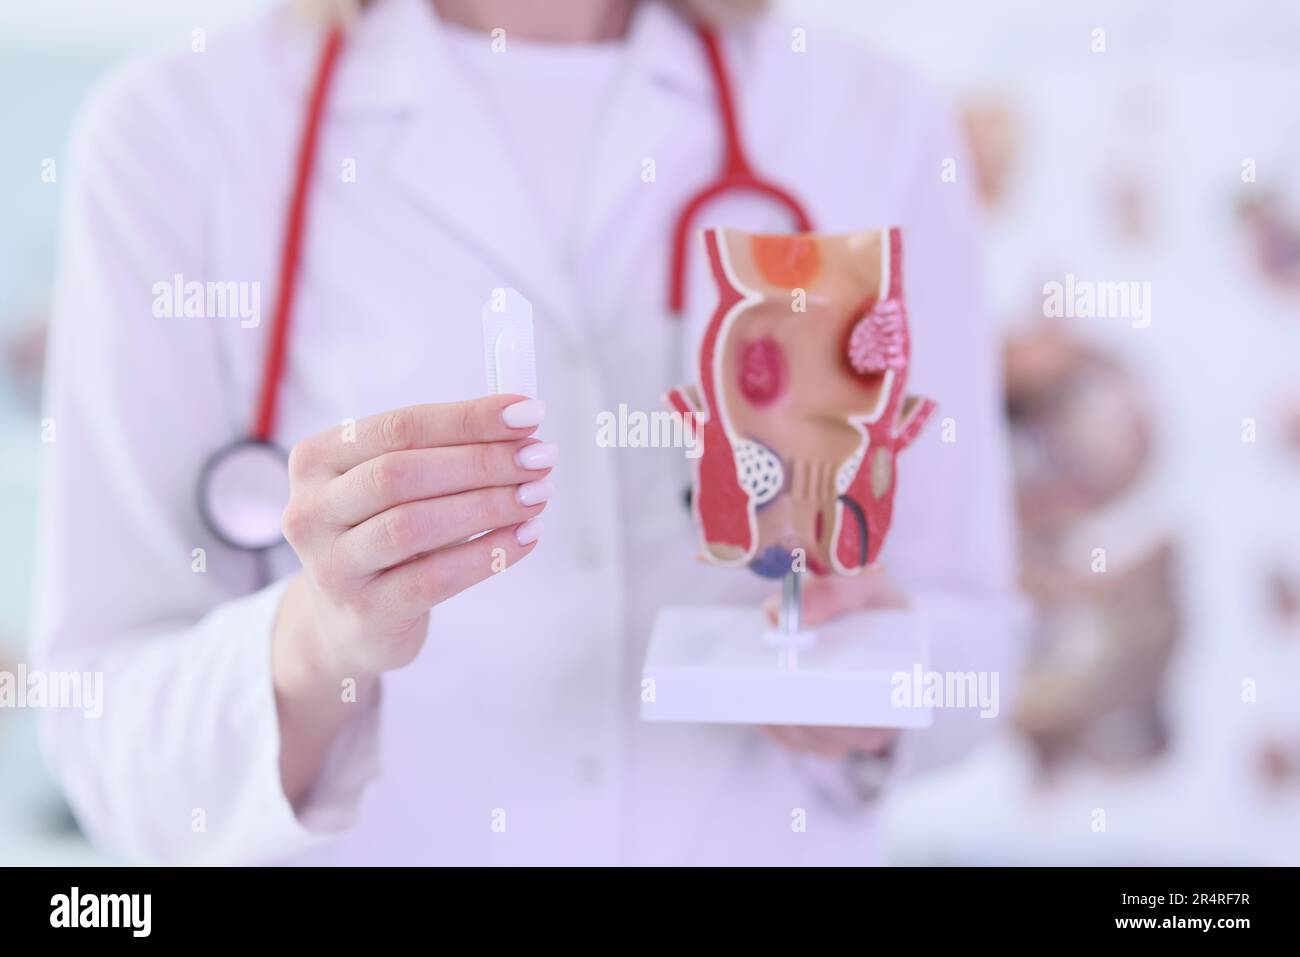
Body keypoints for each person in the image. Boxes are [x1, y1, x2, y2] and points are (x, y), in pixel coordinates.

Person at [32, 0, 1020, 865]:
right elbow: (109, 736)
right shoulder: (175, 133)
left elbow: (978, 651)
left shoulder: (868, 119)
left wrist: (866, 676)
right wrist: (314, 643)